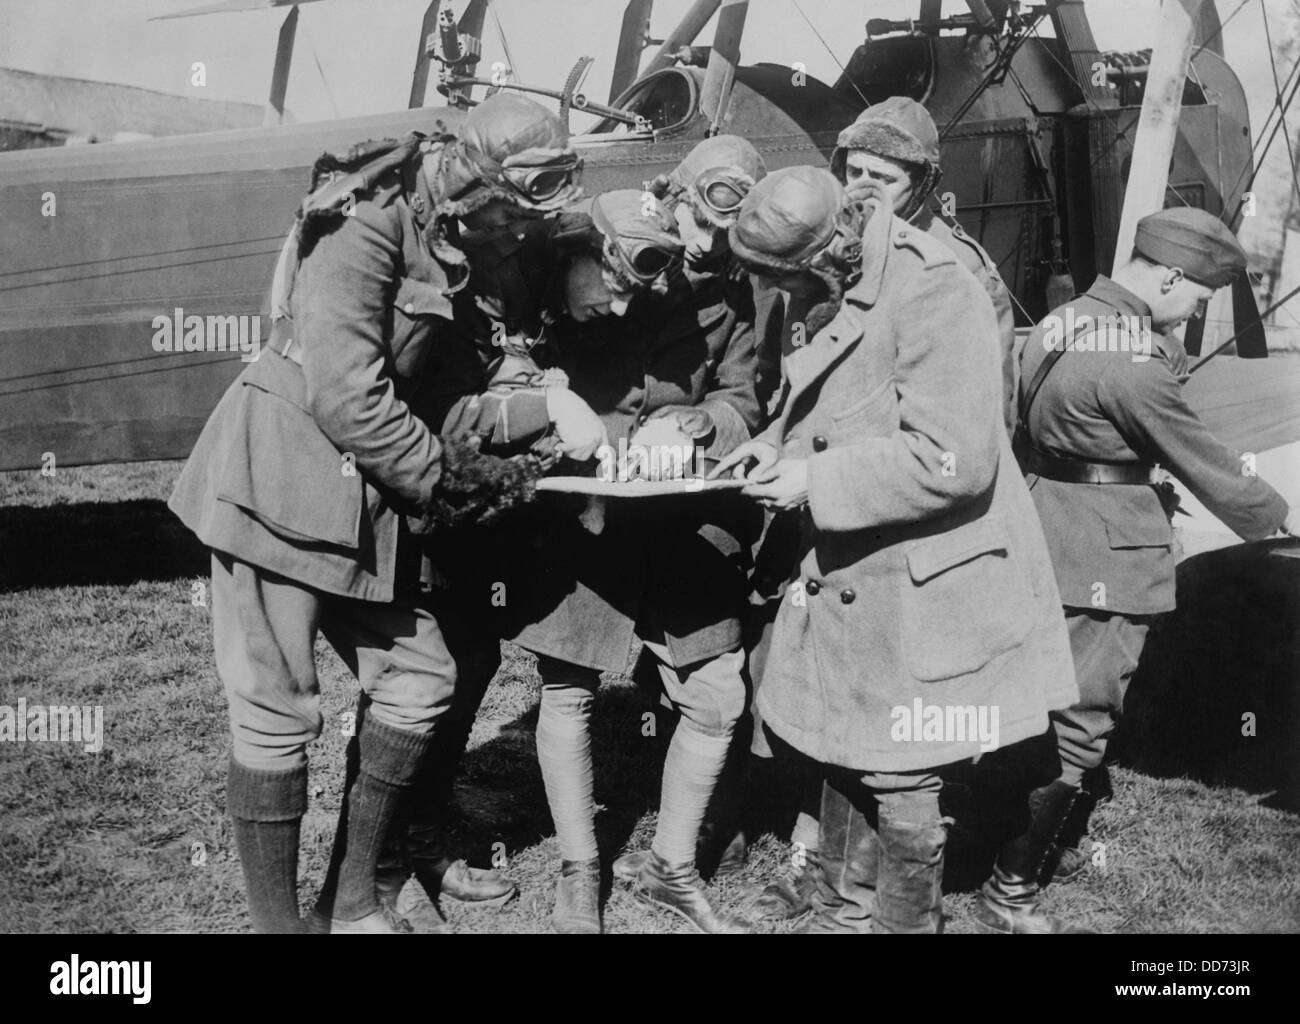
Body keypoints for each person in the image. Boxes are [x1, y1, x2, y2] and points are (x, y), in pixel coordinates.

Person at [167, 93, 582, 935]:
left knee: (421, 679)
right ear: (471, 176)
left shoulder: (449, 231)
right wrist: (451, 488)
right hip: (278, 478)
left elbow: (433, 384)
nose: (514, 236)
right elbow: (348, 395)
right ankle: (281, 929)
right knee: (278, 708)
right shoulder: (365, 221)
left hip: (365, 495)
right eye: (509, 215)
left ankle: (351, 900)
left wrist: (533, 410)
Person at [713, 166, 1077, 934]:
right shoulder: (845, 268)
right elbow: (824, 398)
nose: (782, 295)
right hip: (858, 557)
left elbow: (954, 459)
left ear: (821, 254)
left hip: (929, 568)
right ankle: (848, 914)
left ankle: (905, 925)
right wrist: (771, 447)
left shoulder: (934, 289)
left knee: (902, 767)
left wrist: (814, 478)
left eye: (784, 279)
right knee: (846, 742)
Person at [976, 206, 1300, 933]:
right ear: (1174, 276)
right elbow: (1199, 454)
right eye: (1196, 300)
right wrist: (1274, 513)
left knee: (1031, 699)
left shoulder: (1062, 320)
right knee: (1085, 717)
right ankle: (1012, 887)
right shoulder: (1136, 361)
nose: (1192, 314)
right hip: (1107, 548)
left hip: (1043, 526)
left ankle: (984, 830)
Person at [831, 97, 1018, 432]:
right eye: (853, 171)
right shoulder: (836, 243)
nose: (863, 188)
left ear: (921, 184)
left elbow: (986, 411)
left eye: (884, 179)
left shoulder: (959, 265)